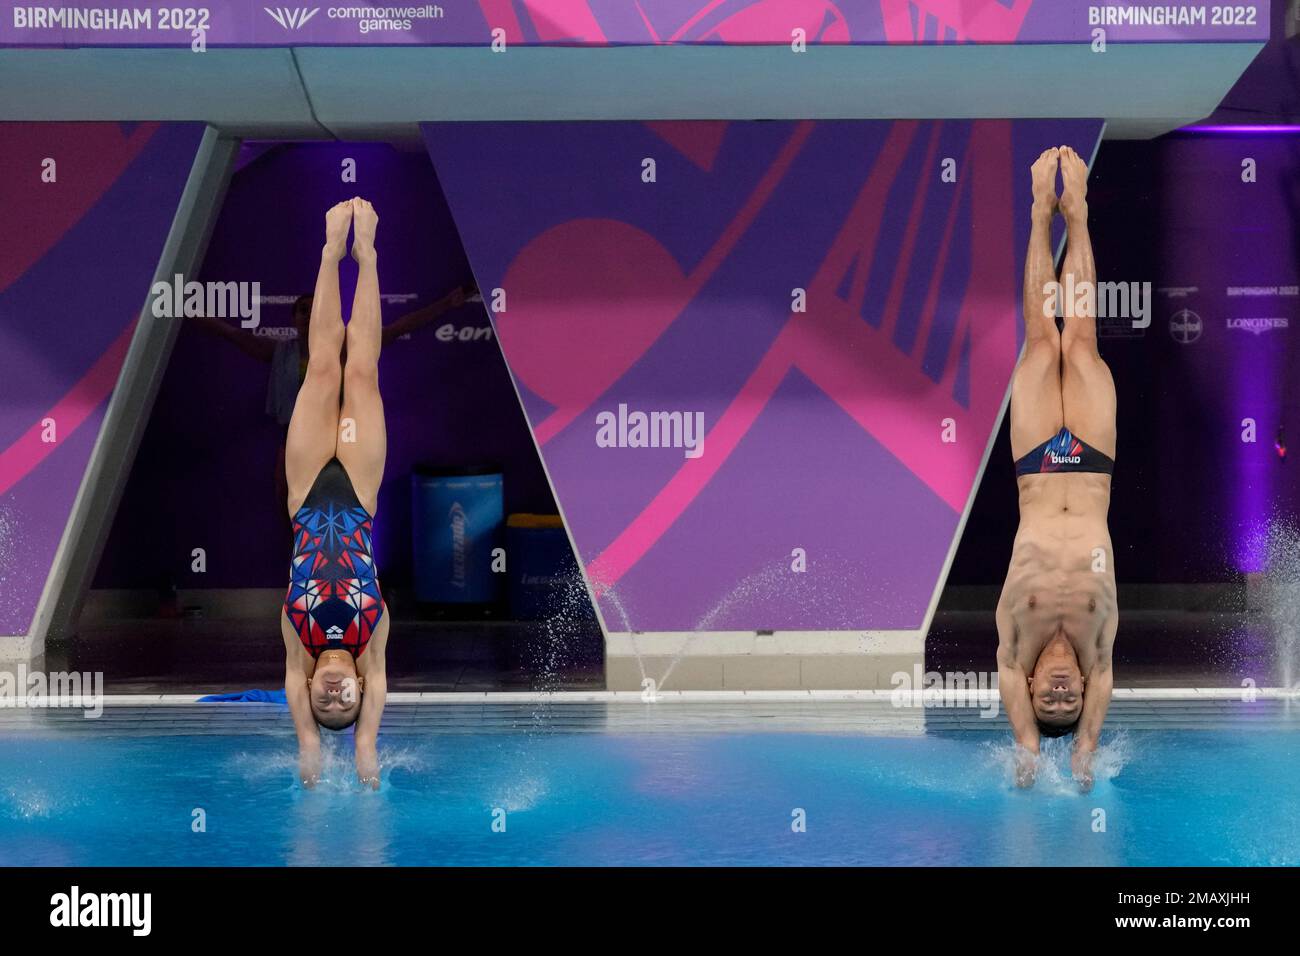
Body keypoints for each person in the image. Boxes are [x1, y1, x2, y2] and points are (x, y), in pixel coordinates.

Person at [996, 147, 1117, 791]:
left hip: (1038, 470)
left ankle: (1041, 213)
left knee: (1044, 337)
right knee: (1083, 337)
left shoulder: (1019, 640)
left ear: (1035, 685)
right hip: (1092, 464)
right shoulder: (1098, 644)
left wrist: (1028, 744)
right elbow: (1104, 681)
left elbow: (1004, 676)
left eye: (1052, 701)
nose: (1064, 695)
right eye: (1069, 705)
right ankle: (1083, 218)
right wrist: (1085, 749)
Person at [280, 197, 390, 788]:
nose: (330, 696)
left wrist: (309, 745)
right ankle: (367, 254)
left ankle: (329, 251)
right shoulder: (371, 632)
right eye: (342, 702)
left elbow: (293, 689)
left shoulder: (298, 635)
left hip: (306, 487)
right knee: (363, 371)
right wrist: (364, 746)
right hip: (359, 487)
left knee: (323, 368)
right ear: (362, 688)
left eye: (323, 706)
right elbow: (368, 727)